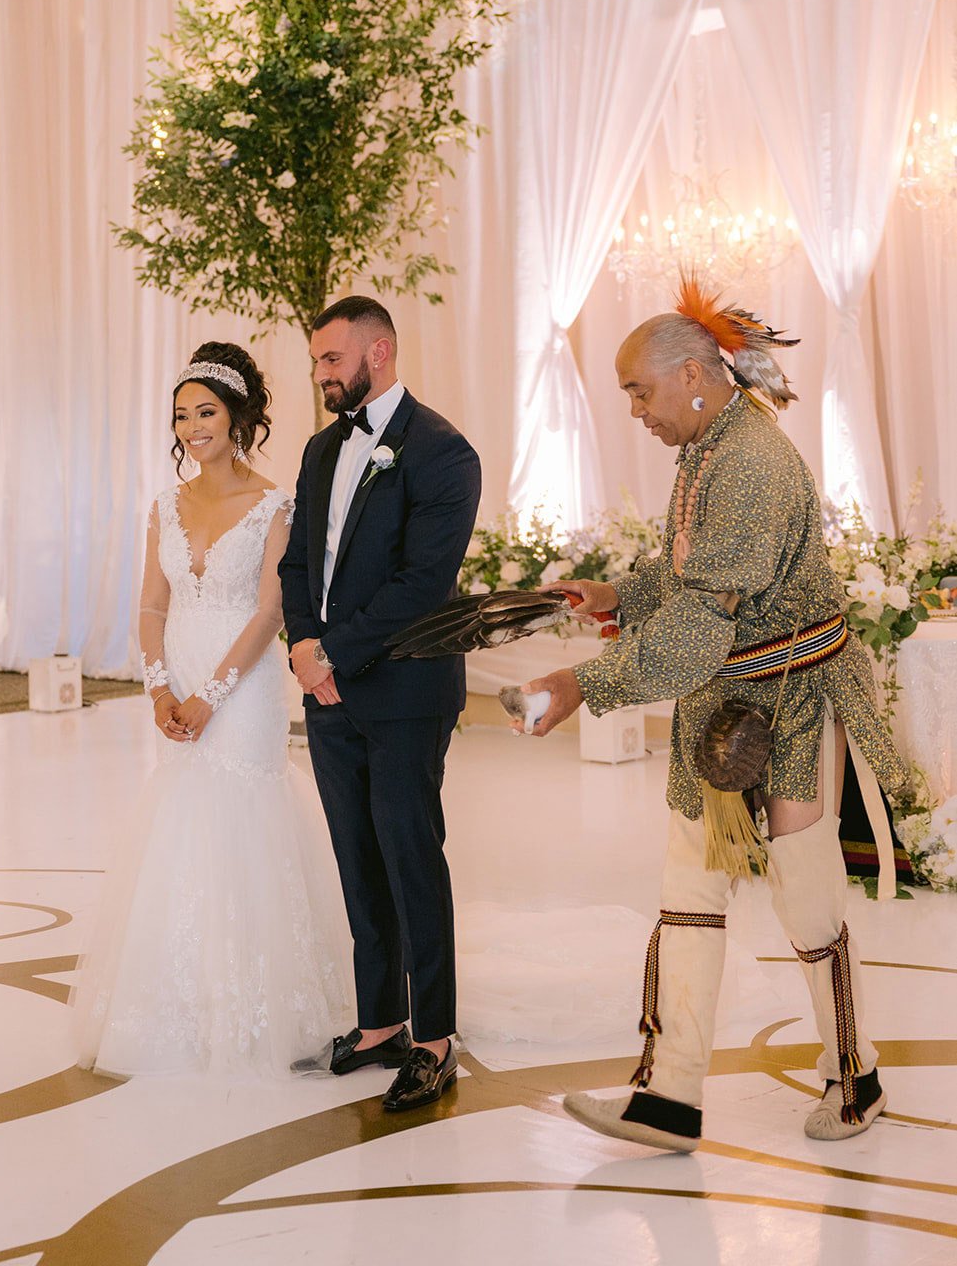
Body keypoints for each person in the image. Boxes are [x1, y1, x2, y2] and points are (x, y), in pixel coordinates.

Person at [513, 279, 906, 1152]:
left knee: (804, 899)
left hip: (794, 700)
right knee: (687, 892)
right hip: (725, 703)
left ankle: (857, 1074)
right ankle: (669, 1098)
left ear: (692, 375)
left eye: (638, 392)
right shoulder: (704, 451)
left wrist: (587, 685)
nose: (634, 412)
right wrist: (619, 592)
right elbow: (686, 580)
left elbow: (698, 623)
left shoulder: (749, 462)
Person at [74, 341, 347, 1077]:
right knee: (182, 822)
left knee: (243, 820)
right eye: (181, 416)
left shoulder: (272, 503)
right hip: (180, 678)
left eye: (206, 412)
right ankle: (181, 1001)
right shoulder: (165, 504)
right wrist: (159, 687)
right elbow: (151, 602)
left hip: (243, 685)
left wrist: (209, 696)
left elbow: (268, 613)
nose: (193, 427)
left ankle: (261, 1005)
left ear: (238, 418)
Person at [279, 296, 481, 1112]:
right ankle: (378, 1023)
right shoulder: (321, 448)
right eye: (317, 363)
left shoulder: (442, 453)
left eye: (332, 360)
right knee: (355, 858)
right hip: (325, 688)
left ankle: (433, 1039)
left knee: (409, 859)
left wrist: (332, 653)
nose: (321, 376)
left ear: (379, 352)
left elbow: (419, 587)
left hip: (403, 688)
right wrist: (302, 646)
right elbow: (299, 561)